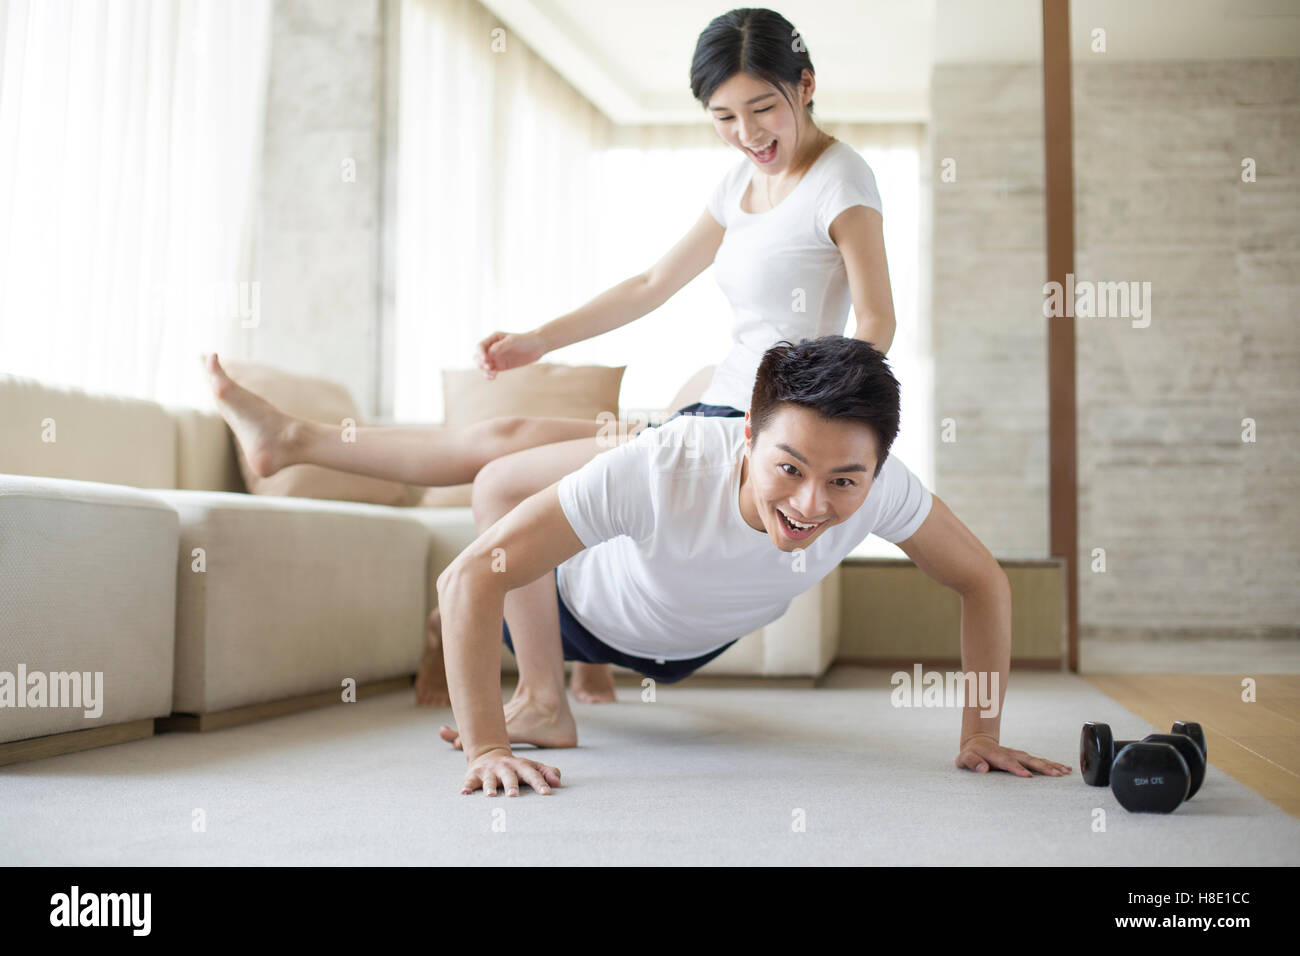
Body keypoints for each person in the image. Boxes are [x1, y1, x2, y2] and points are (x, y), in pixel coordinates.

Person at [455, 7, 899, 704]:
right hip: (714, 408)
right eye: (723, 116)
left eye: (762, 108)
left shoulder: (841, 178)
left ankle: (543, 698)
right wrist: (539, 339)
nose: (748, 134)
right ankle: (576, 670)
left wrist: (822, 428)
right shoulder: (739, 185)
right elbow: (652, 284)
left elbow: (876, 318)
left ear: (804, 85)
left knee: (502, 477)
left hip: (757, 426)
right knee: (508, 448)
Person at [434, 337, 1073, 796]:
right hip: (578, 615)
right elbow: (469, 576)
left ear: (875, 469)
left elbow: (982, 580)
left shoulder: (884, 485)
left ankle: (589, 678)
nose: (810, 505)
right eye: (789, 468)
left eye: (844, 482)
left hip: (691, 643)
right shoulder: (661, 465)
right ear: (746, 435)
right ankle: (542, 682)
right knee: (478, 586)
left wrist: (981, 733)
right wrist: (488, 747)